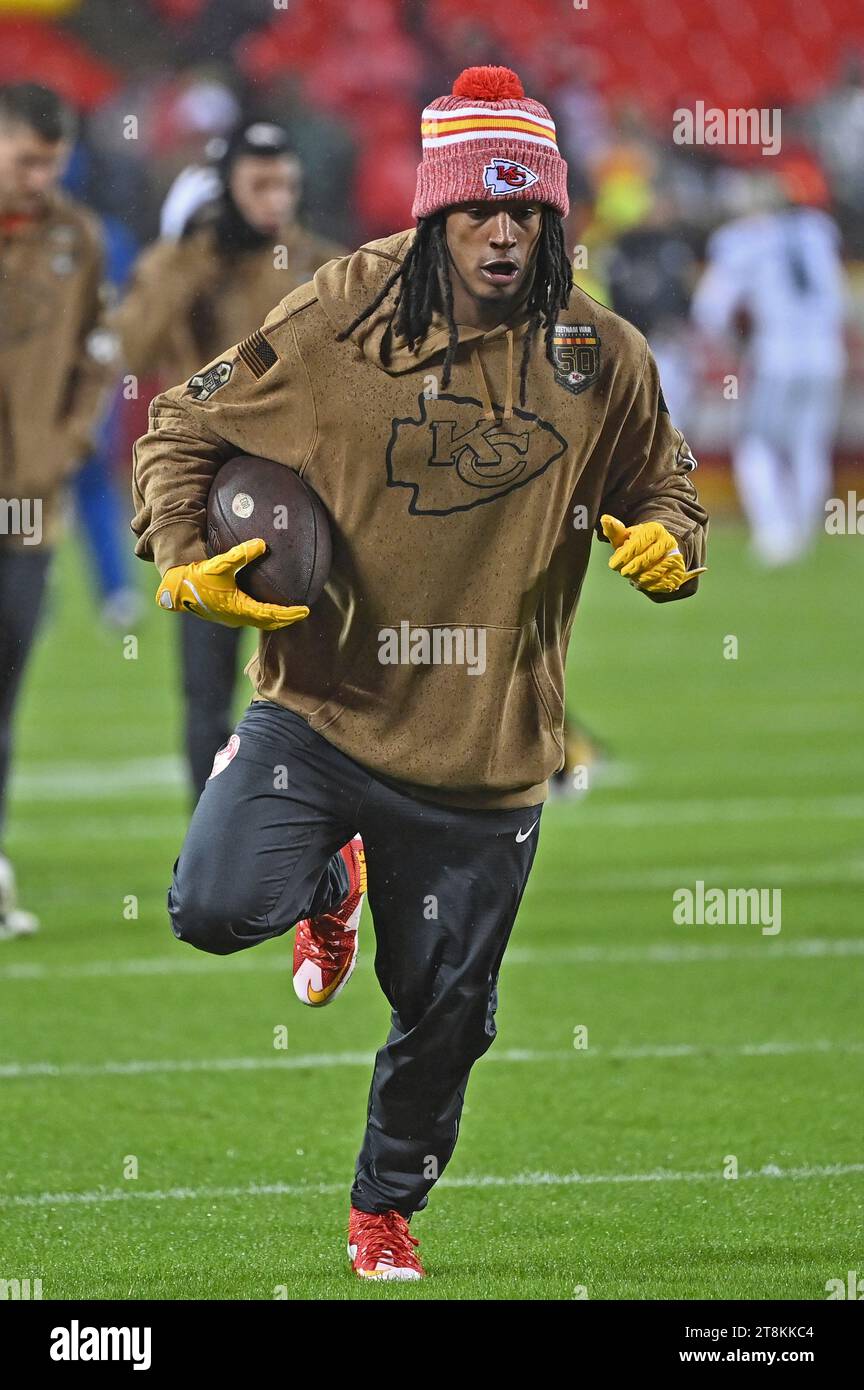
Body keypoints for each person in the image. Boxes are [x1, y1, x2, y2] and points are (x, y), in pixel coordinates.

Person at [130, 66, 708, 1280]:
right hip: (324, 710)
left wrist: (674, 545)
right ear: (437, 212)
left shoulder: (600, 354)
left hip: (484, 750)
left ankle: (383, 1206)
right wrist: (186, 556)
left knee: (443, 1017)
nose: (505, 236)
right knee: (211, 905)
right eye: (478, 213)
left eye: (527, 213)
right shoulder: (340, 309)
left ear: (555, 217)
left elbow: (667, 487)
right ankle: (324, 884)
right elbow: (187, 423)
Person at [114, 121, 345, 800]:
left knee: (319, 690)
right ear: (225, 190)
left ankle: (325, 865)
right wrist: (190, 258)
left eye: (287, 184)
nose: (277, 199)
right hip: (204, 503)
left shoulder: (321, 265)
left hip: (309, 502)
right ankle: (214, 845)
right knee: (206, 693)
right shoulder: (184, 263)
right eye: (260, 184)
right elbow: (132, 349)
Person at [0, 83, 113, 938]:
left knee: (5, 696)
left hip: (31, 508)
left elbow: (95, 358)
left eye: (54, 161)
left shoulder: (77, 238)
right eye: (28, 159)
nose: (44, 176)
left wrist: (71, 443)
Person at [692, 157, 846, 566]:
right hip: (826, 353)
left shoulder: (742, 238)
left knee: (755, 444)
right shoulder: (818, 230)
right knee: (809, 445)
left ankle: (775, 535)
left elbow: (709, 309)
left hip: (778, 353)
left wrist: (735, 346)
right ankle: (804, 533)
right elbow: (839, 299)